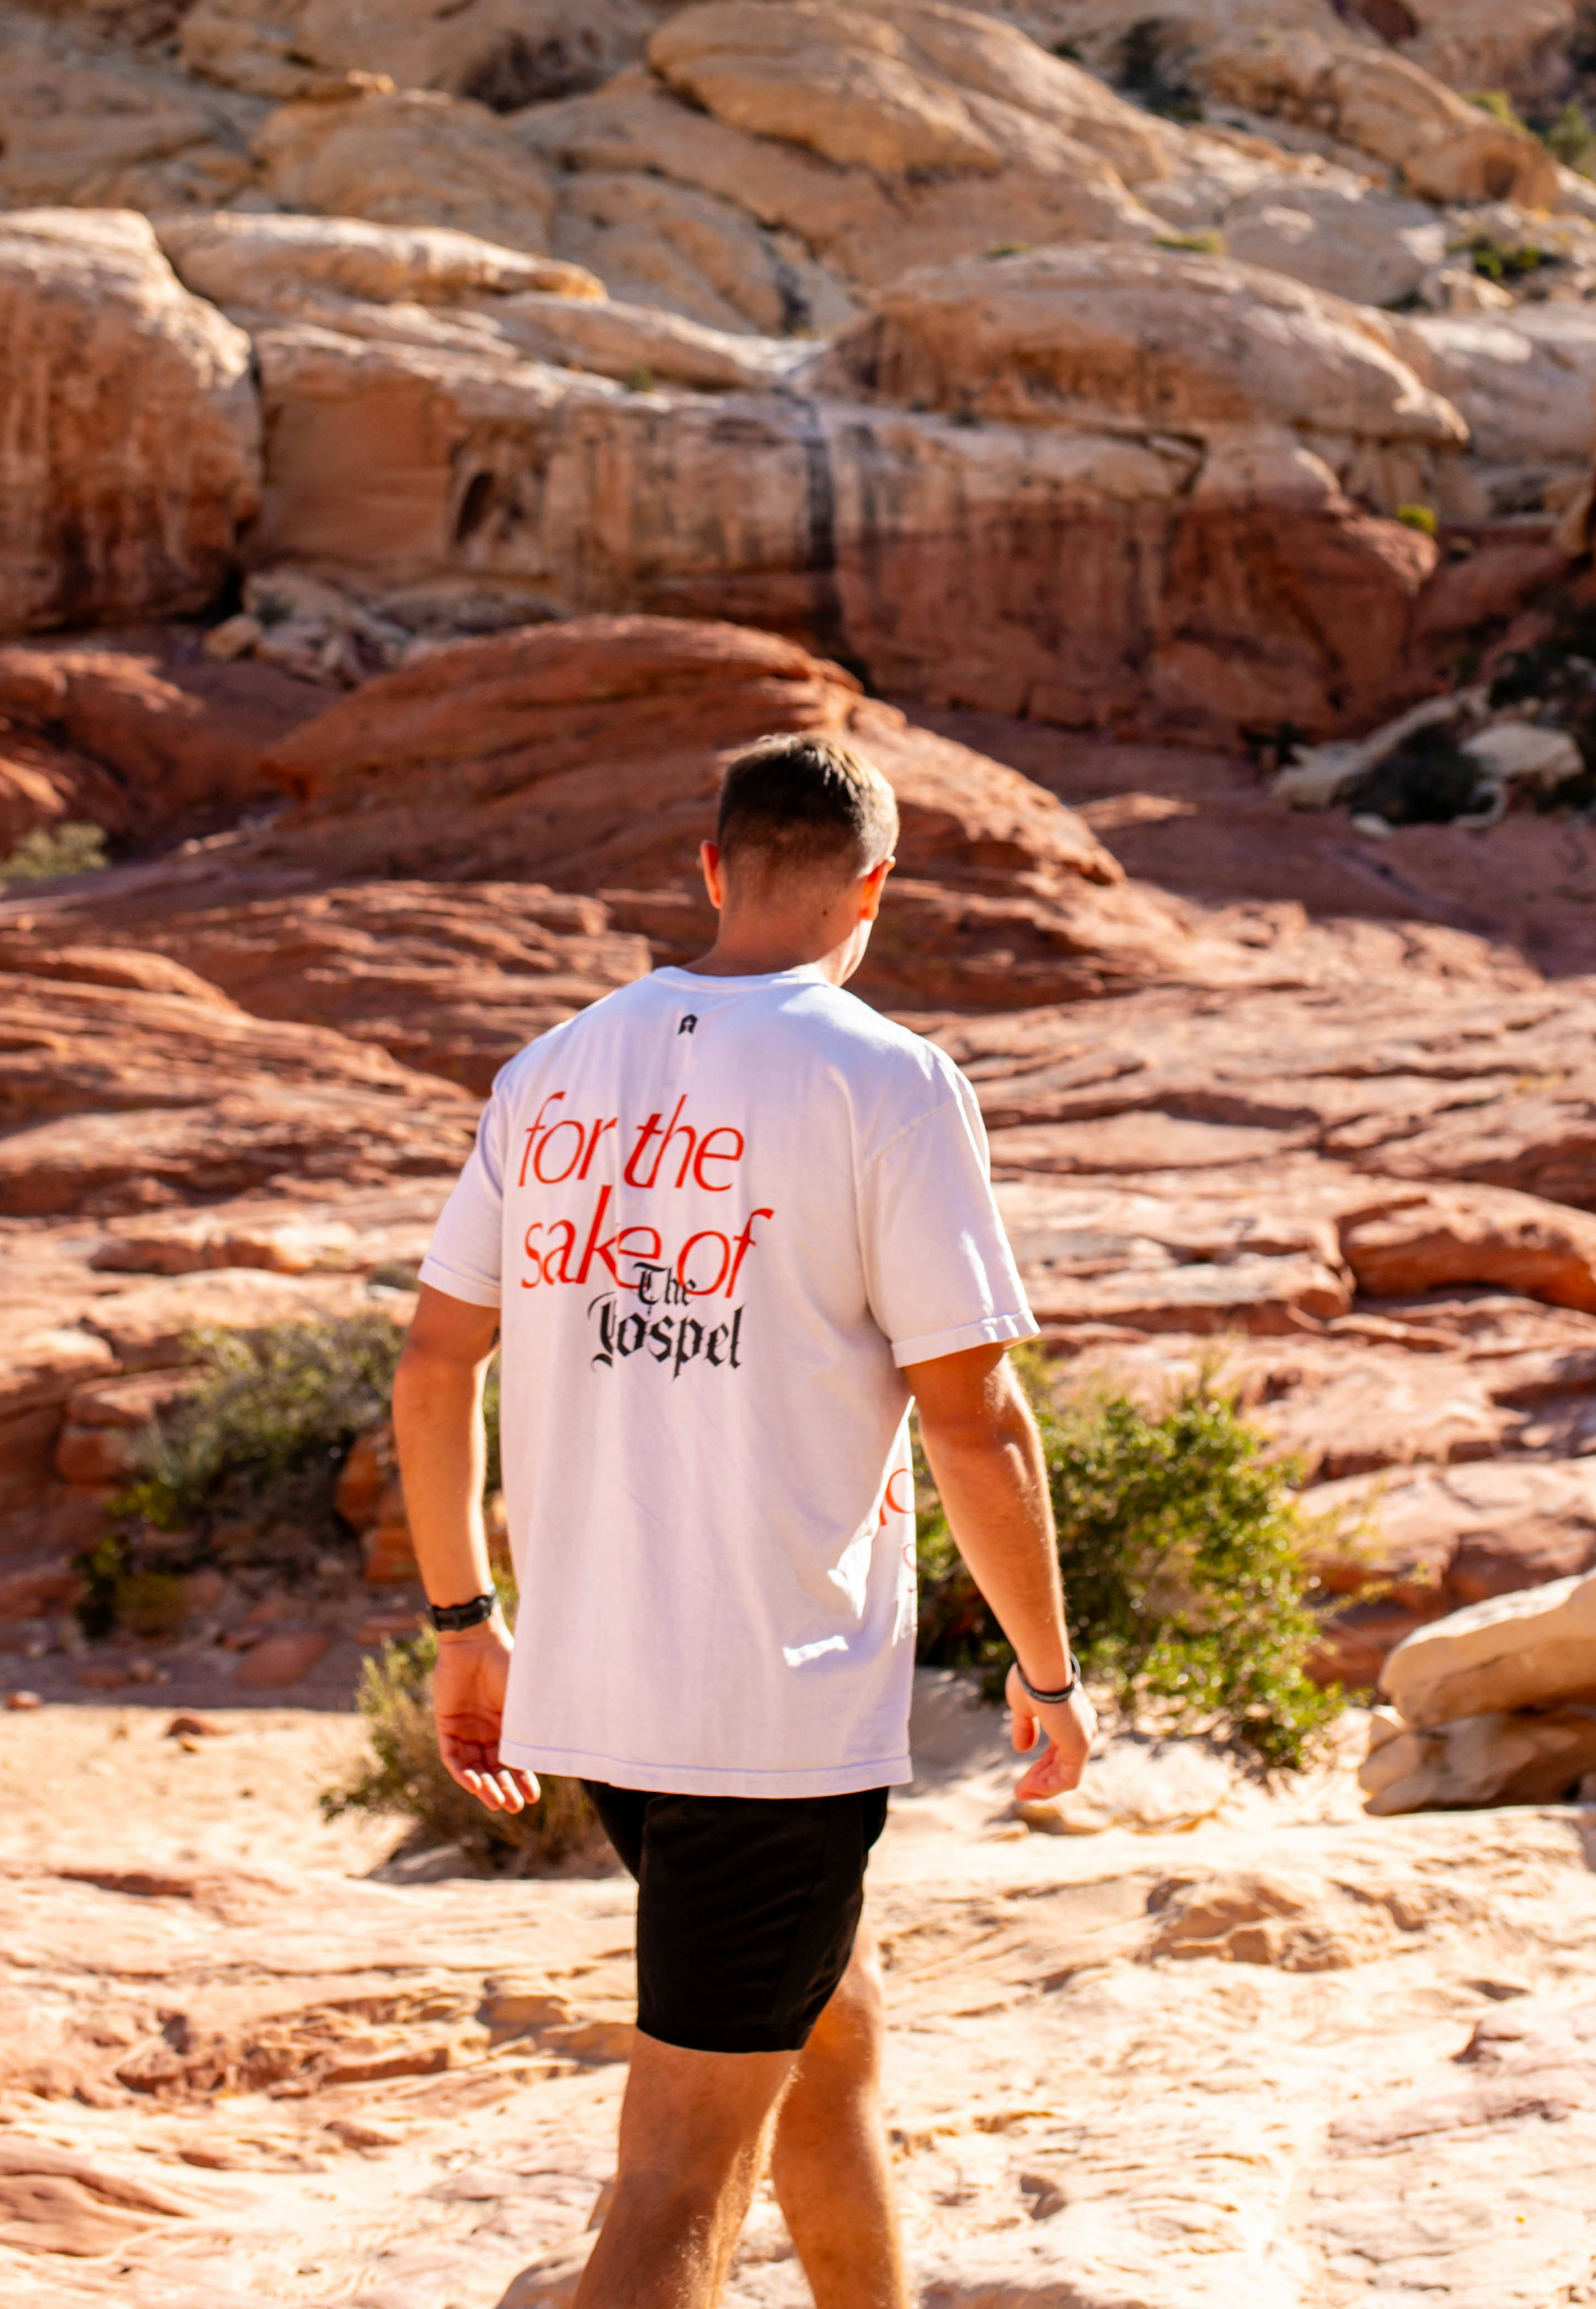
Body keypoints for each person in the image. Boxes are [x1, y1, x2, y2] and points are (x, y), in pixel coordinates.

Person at [393, 731, 1096, 2309]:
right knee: (672, 2186)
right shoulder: (890, 1081)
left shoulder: (554, 1067)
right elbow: (975, 1422)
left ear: (711, 868)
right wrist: (1048, 1678)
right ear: (876, 888)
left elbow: (439, 1364)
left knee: (826, 2028)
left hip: (613, 1702)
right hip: (770, 1712)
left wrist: (464, 1626)